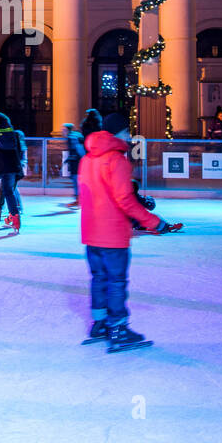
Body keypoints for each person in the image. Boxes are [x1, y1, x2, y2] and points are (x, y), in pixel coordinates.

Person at [78, 112, 179, 353]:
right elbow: (126, 200)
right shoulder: (118, 161)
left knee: (99, 278)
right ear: (120, 132)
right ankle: (118, 329)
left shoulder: (87, 159)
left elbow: (84, 195)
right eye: (128, 130)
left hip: (91, 231)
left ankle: (99, 324)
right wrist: (155, 222)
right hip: (112, 233)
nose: (130, 134)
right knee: (116, 281)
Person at [62, 121, 85, 209]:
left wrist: (71, 158)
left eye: (63, 129)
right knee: (77, 181)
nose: (62, 131)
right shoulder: (75, 135)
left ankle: (78, 200)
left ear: (68, 130)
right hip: (77, 162)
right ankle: (79, 199)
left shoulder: (71, 137)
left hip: (76, 163)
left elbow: (78, 149)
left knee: (76, 181)